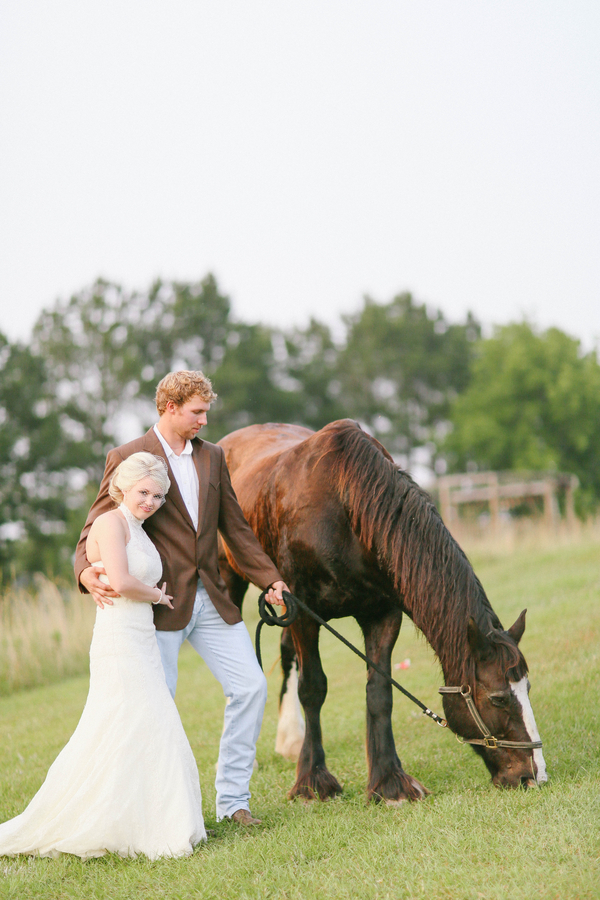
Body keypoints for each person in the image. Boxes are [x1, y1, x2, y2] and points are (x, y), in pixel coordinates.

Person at [75, 370, 289, 827]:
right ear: (169, 408)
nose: (204, 421)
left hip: (212, 597)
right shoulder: (128, 456)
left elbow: (235, 526)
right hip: (155, 606)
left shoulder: (214, 457)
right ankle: (157, 813)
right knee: (158, 705)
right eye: (197, 412)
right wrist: (84, 573)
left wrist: (269, 577)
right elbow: (95, 528)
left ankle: (234, 803)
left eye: (207, 412)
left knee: (251, 687)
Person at [0, 452, 206, 859]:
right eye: (144, 492)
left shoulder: (139, 527)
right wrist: (159, 594)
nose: (151, 502)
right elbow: (124, 581)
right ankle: (135, 823)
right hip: (118, 638)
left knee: (135, 724)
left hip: (140, 636)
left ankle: (141, 818)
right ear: (123, 487)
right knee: (143, 719)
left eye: (159, 496)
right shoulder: (110, 522)